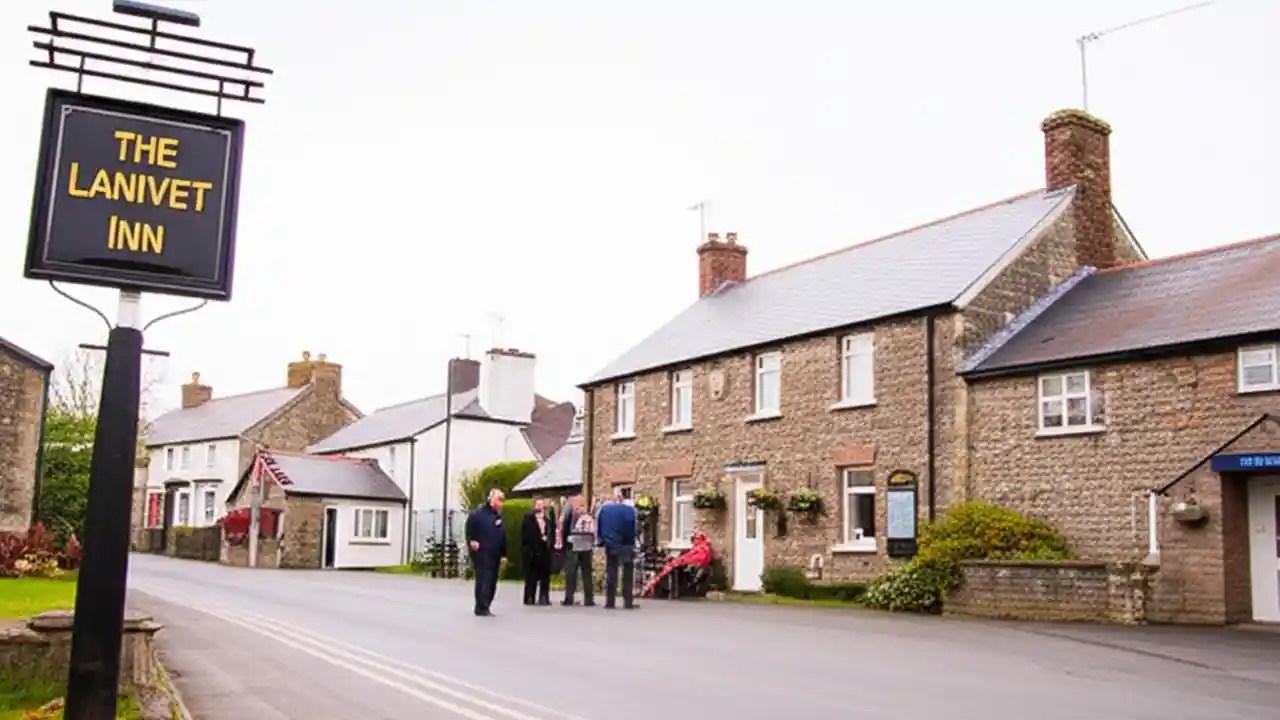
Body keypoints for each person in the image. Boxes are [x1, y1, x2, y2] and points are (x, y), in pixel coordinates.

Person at [465, 489, 507, 617]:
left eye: (502, 500)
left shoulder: (498, 516)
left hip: (495, 554)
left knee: (492, 581)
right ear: (491, 499)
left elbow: (502, 535)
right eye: (498, 499)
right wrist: (471, 540)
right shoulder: (478, 514)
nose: (500, 503)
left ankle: (487, 604)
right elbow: (469, 529)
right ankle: (481, 606)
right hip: (482, 553)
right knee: (483, 579)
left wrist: (504, 554)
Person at [595, 491, 639, 609]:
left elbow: (599, 526)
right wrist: (632, 541)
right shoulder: (630, 510)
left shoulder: (604, 510)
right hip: (626, 544)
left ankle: (610, 601)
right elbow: (634, 528)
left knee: (611, 571)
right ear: (623, 499)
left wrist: (601, 540)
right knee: (628, 573)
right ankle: (628, 601)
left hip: (611, 544)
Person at [558, 494, 595, 607]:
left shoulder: (570, 511)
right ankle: (589, 599)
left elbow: (563, 525)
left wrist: (564, 543)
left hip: (573, 546)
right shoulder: (588, 515)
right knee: (587, 573)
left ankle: (569, 598)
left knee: (571, 573)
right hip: (587, 546)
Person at [520, 499, 554, 605]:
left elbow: (551, 532)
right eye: (538, 504)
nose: (540, 507)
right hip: (532, 551)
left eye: (542, 505)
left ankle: (544, 597)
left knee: (545, 575)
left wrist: (547, 540)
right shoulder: (528, 518)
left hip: (544, 551)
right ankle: (529, 597)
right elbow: (526, 535)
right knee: (531, 576)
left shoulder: (547, 519)